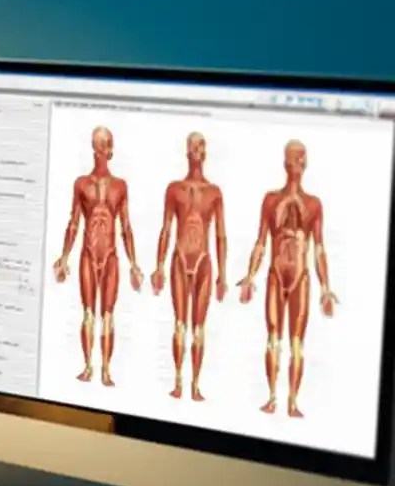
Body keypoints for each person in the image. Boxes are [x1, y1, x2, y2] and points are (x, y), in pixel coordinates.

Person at [237, 140, 338, 418]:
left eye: (302, 158)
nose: (298, 163)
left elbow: (319, 247)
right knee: (273, 339)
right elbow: (261, 241)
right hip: (275, 274)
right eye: (294, 158)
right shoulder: (271, 200)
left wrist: (326, 289)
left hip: (300, 278)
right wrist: (250, 275)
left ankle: (292, 402)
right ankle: (272, 397)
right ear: (285, 162)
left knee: (296, 343)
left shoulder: (314, 204)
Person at [52, 126, 144, 387]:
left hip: (111, 255)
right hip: (88, 254)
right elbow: (74, 222)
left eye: (108, 143)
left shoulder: (120, 186)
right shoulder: (81, 184)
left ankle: (105, 369)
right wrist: (64, 256)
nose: (105, 148)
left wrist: (134, 263)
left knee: (107, 314)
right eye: (103, 143)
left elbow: (126, 226)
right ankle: (88, 367)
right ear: (96, 148)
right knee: (89, 313)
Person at [150, 132, 228, 401]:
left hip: (204, 260)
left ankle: (195, 385)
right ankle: (178, 381)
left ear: (205, 152)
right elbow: (166, 228)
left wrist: (222, 276)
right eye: (192, 145)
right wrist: (158, 266)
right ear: (186, 151)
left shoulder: (214, 193)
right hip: (180, 257)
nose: (196, 149)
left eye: (201, 145)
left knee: (198, 326)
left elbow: (220, 235)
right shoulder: (174, 189)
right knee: (180, 323)